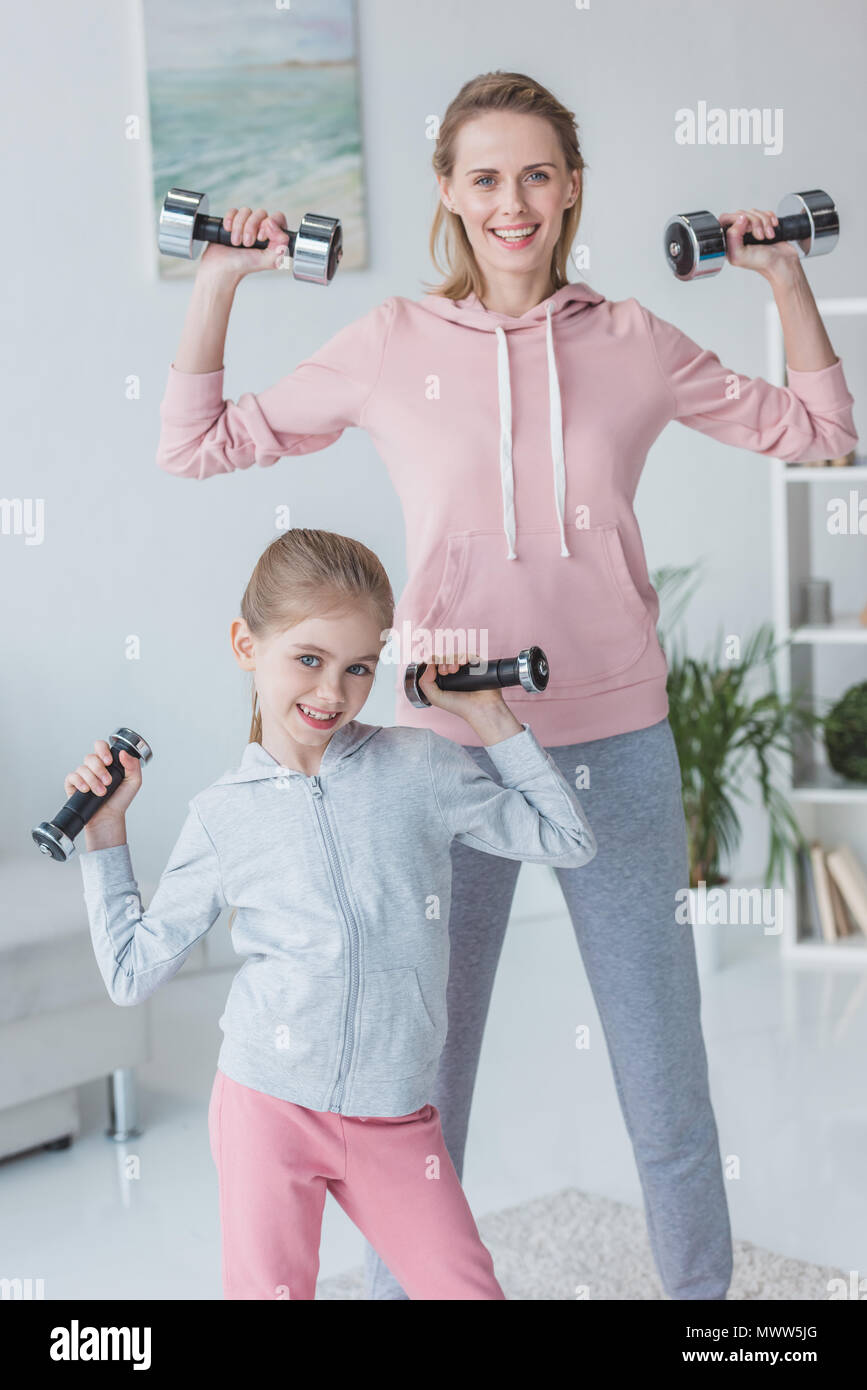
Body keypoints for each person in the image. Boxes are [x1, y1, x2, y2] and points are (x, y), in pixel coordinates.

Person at [152, 72, 858, 1300]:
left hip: (618, 734)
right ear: (449, 193)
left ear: (571, 187)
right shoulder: (389, 347)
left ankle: (706, 1312)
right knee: (418, 1083)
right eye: (485, 177)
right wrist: (219, 281)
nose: (513, 202)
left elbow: (821, 434)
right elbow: (197, 444)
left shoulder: (635, 340)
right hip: (441, 750)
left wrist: (785, 280)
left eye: (537, 173)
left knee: (664, 1076)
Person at [68, 526, 597, 1300]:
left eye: (358, 668)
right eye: (308, 660)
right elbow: (129, 973)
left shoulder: (419, 768)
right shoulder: (223, 817)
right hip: (267, 1109)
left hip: (395, 1117)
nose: (331, 693)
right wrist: (105, 835)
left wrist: (489, 718)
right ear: (247, 645)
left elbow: (567, 839)